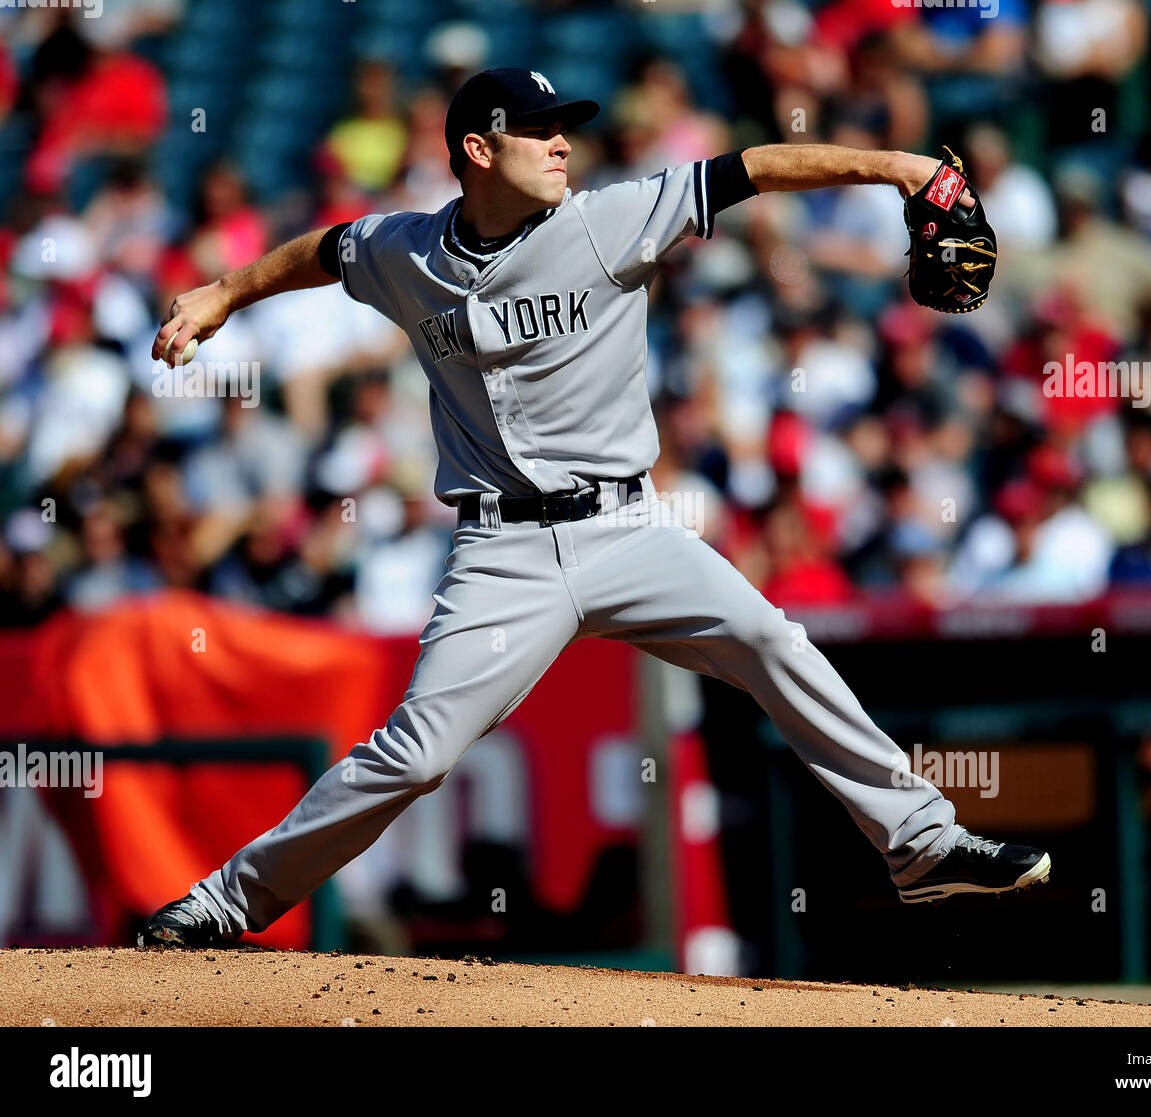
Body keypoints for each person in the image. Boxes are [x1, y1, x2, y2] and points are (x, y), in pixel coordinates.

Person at [140, 68, 1050, 948]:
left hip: (628, 531)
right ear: (478, 149)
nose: (561, 143)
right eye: (538, 129)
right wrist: (225, 291)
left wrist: (901, 168)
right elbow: (329, 250)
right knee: (415, 756)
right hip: (503, 555)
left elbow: (756, 167)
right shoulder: (407, 250)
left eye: (562, 125)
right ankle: (226, 903)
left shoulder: (613, 218)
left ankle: (923, 843)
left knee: (775, 642)